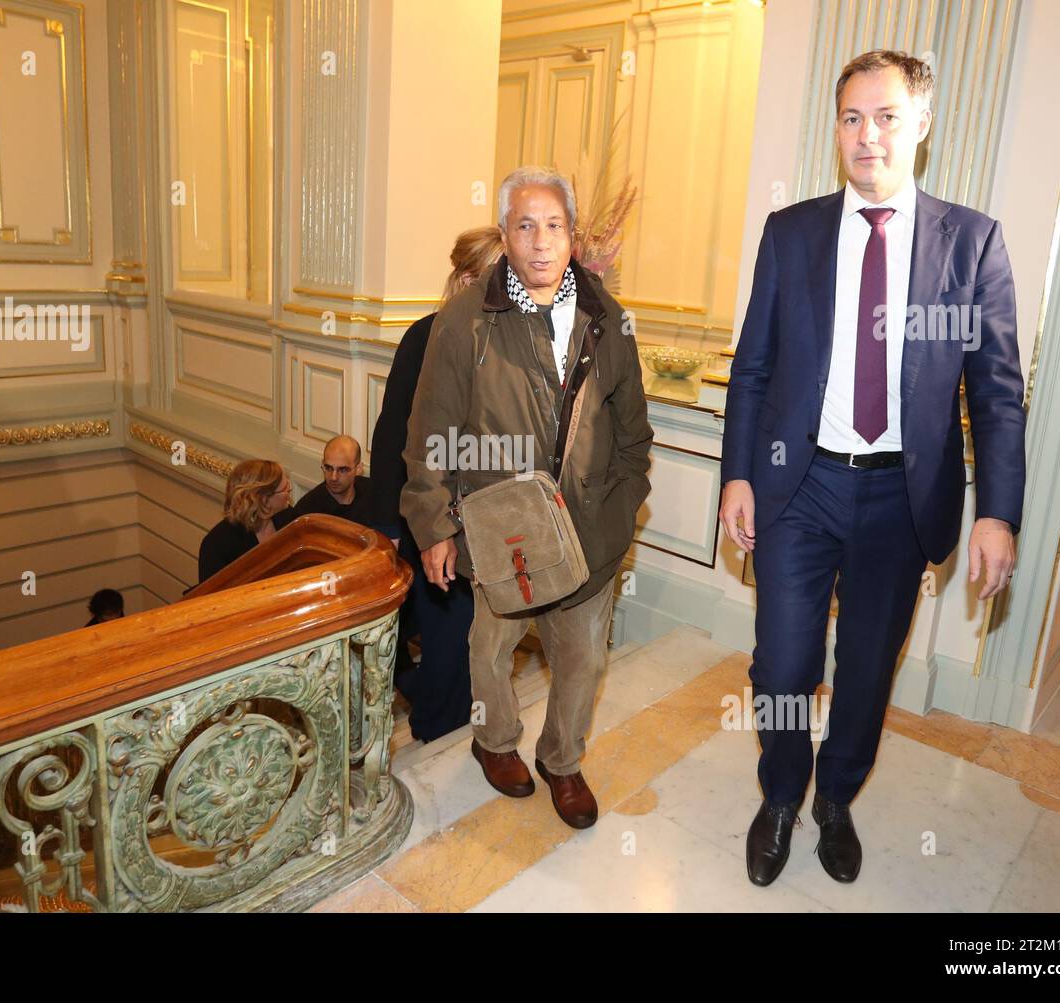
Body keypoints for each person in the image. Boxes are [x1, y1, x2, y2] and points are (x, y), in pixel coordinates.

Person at [719, 50, 1025, 886]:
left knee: (864, 669)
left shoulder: (973, 243)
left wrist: (998, 511)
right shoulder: (793, 232)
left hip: (902, 494)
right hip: (798, 483)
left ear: (921, 125)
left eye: (886, 116)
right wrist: (737, 474)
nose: (866, 135)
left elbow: (997, 390)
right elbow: (753, 367)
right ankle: (782, 791)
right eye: (851, 117)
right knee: (783, 663)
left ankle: (836, 798)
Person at [402, 166, 653, 829]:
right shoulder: (465, 321)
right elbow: (431, 432)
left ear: (572, 236)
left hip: (589, 531)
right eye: (525, 226)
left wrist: (620, 513)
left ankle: (562, 761)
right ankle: (494, 740)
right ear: (505, 236)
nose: (541, 242)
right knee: (489, 651)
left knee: (581, 660)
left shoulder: (609, 319)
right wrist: (433, 526)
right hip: (504, 530)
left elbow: (635, 436)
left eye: (555, 226)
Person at [370, 225, 504, 742]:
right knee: (447, 638)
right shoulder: (425, 336)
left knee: (482, 639)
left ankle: (467, 723)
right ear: (468, 278)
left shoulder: (511, 340)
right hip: (436, 521)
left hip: (489, 519)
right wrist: (389, 525)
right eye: (497, 274)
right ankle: (436, 731)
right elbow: (391, 435)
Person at [197, 459, 294, 584]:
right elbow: (212, 597)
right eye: (286, 489)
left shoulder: (288, 517)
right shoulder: (217, 544)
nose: (289, 493)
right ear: (264, 500)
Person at [288, 435, 377, 527]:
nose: (333, 477)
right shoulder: (307, 512)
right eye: (328, 468)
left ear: (358, 469)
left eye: (343, 470)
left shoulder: (372, 493)